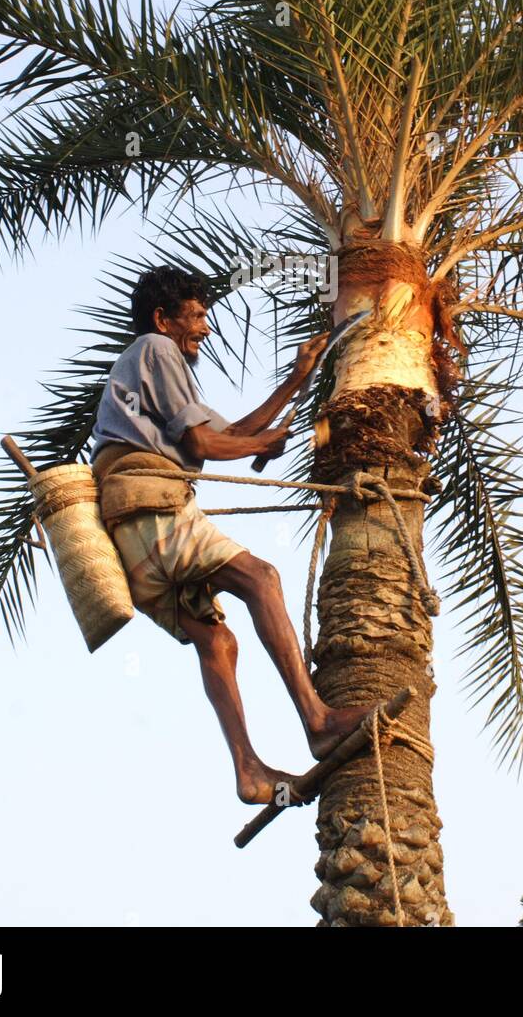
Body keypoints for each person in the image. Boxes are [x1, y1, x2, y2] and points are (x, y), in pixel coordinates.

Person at [90, 265, 376, 804]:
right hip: (153, 515)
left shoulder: (154, 367)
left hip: (132, 545)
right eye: (196, 315)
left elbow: (234, 435)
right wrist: (256, 444)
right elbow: (203, 445)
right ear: (162, 318)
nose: (205, 327)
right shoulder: (155, 348)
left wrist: (297, 379)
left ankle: (249, 773)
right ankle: (318, 720)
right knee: (261, 579)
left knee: (217, 641)